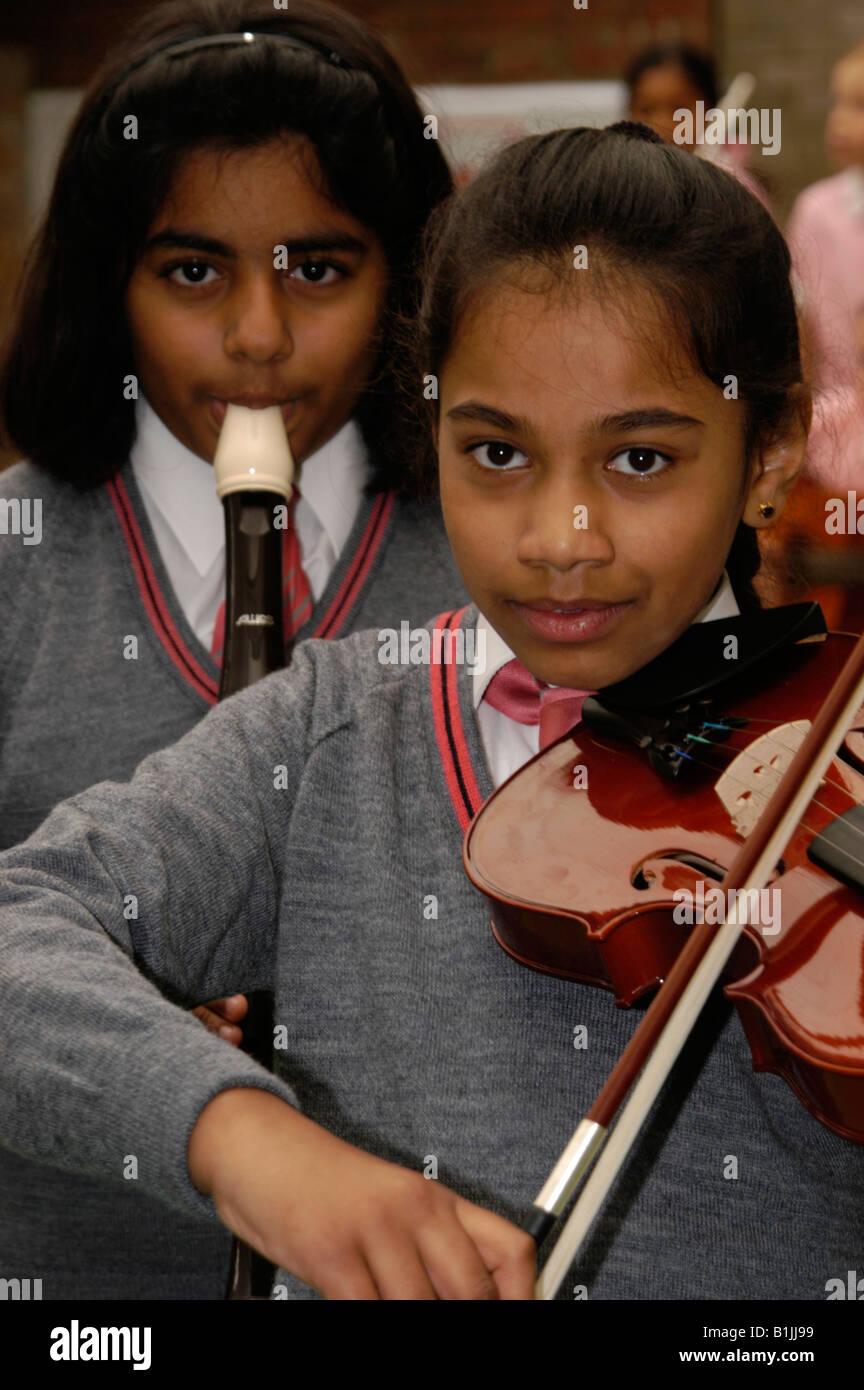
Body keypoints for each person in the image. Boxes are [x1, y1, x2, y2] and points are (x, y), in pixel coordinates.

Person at [2, 122, 860, 1302]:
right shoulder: (328, 734)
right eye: (498, 451)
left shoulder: (842, 747)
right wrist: (248, 1140)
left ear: (767, 451)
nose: (563, 540)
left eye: (641, 461)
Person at [0, 0, 465, 1299]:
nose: (258, 336)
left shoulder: (512, 571)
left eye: (320, 269)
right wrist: (127, 1035)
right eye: (193, 272)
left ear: (411, 279)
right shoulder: (13, 559)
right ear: (111, 284)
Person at [786, 40, 864, 494]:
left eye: (859, 106)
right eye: (838, 102)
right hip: (834, 427)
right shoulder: (817, 209)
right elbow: (800, 331)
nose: (837, 119)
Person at [625, 42, 771, 209]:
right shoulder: (621, 188)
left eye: (680, 110)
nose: (662, 124)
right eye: (646, 110)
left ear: (712, 112)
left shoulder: (734, 191)